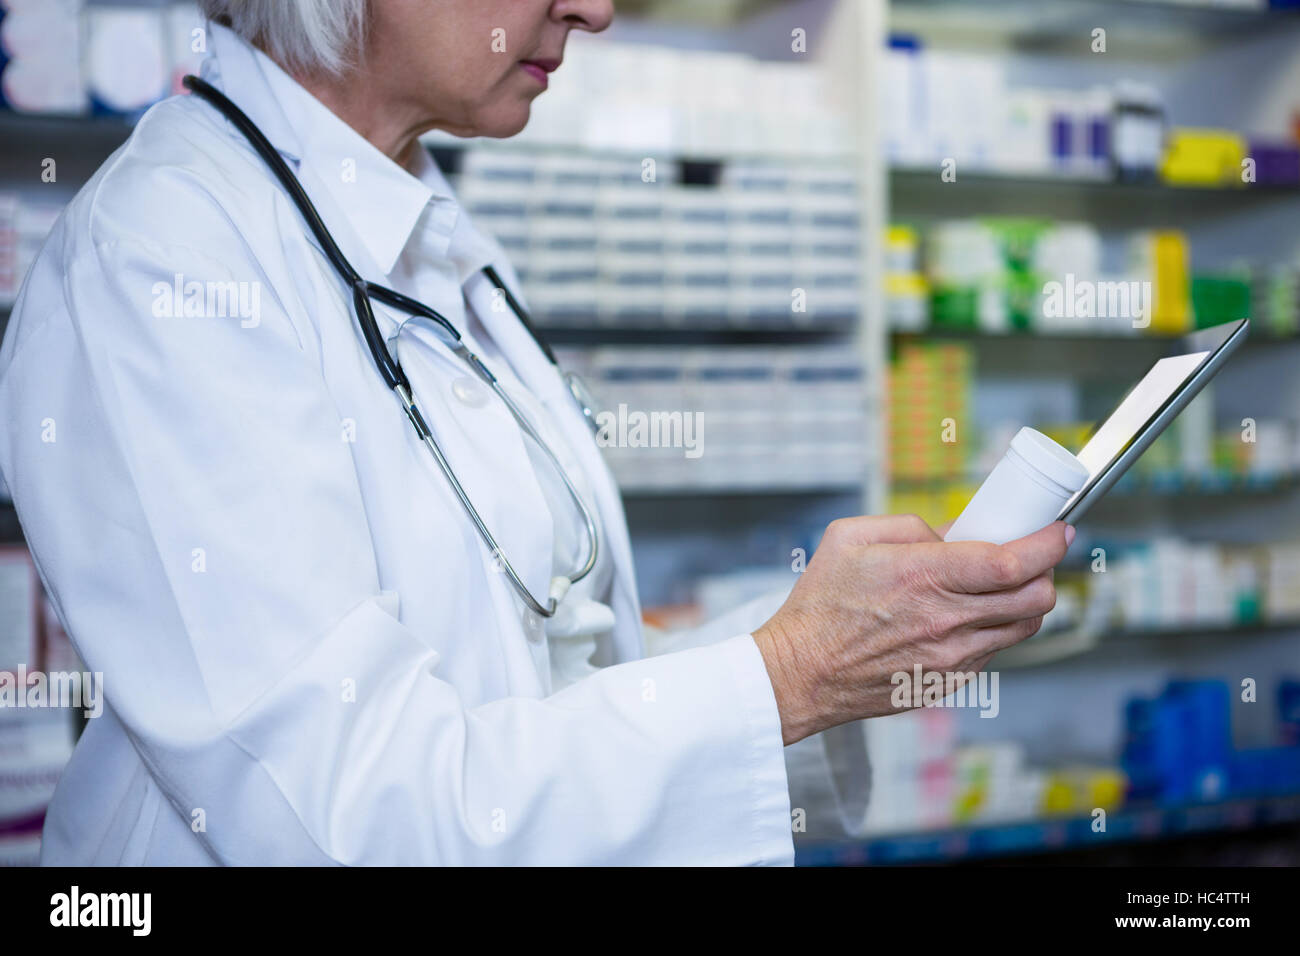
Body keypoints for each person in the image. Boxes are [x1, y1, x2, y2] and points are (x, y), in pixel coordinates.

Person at [0, 0, 1067, 865]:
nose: (595, 10)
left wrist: (819, 645)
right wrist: (785, 672)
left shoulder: (419, 225)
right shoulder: (166, 255)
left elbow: (532, 675)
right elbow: (345, 821)